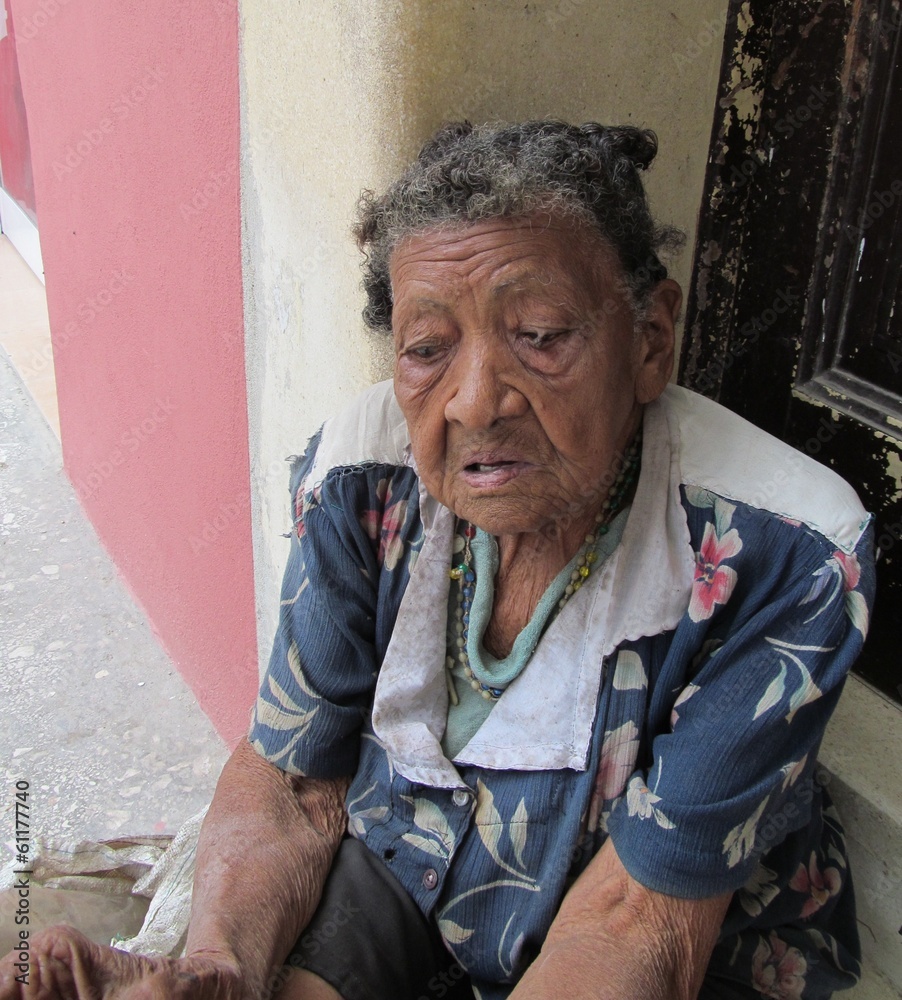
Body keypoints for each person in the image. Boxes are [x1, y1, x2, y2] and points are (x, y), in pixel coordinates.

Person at [0, 121, 875, 1000]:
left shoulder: (783, 556)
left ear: (650, 339)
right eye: (428, 348)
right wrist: (218, 967)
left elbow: (634, 928)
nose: (475, 400)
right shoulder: (363, 480)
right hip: (411, 861)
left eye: (539, 334)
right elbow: (299, 781)